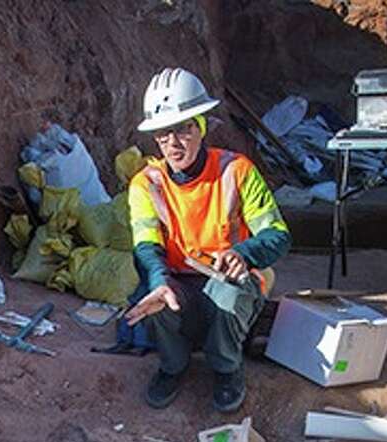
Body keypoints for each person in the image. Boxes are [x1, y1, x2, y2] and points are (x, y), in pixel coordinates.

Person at [124, 67, 290, 413]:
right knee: (154, 299)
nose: (173, 143)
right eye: (163, 134)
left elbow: (278, 235)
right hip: (180, 281)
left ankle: (227, 368)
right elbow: (145, 244)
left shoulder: (236, 170)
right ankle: (173, 366)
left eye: (183, 129)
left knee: (229, 297)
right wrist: (158, 281)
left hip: (227, 278)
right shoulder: (146, 183)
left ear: (201, 126)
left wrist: (244, 253)